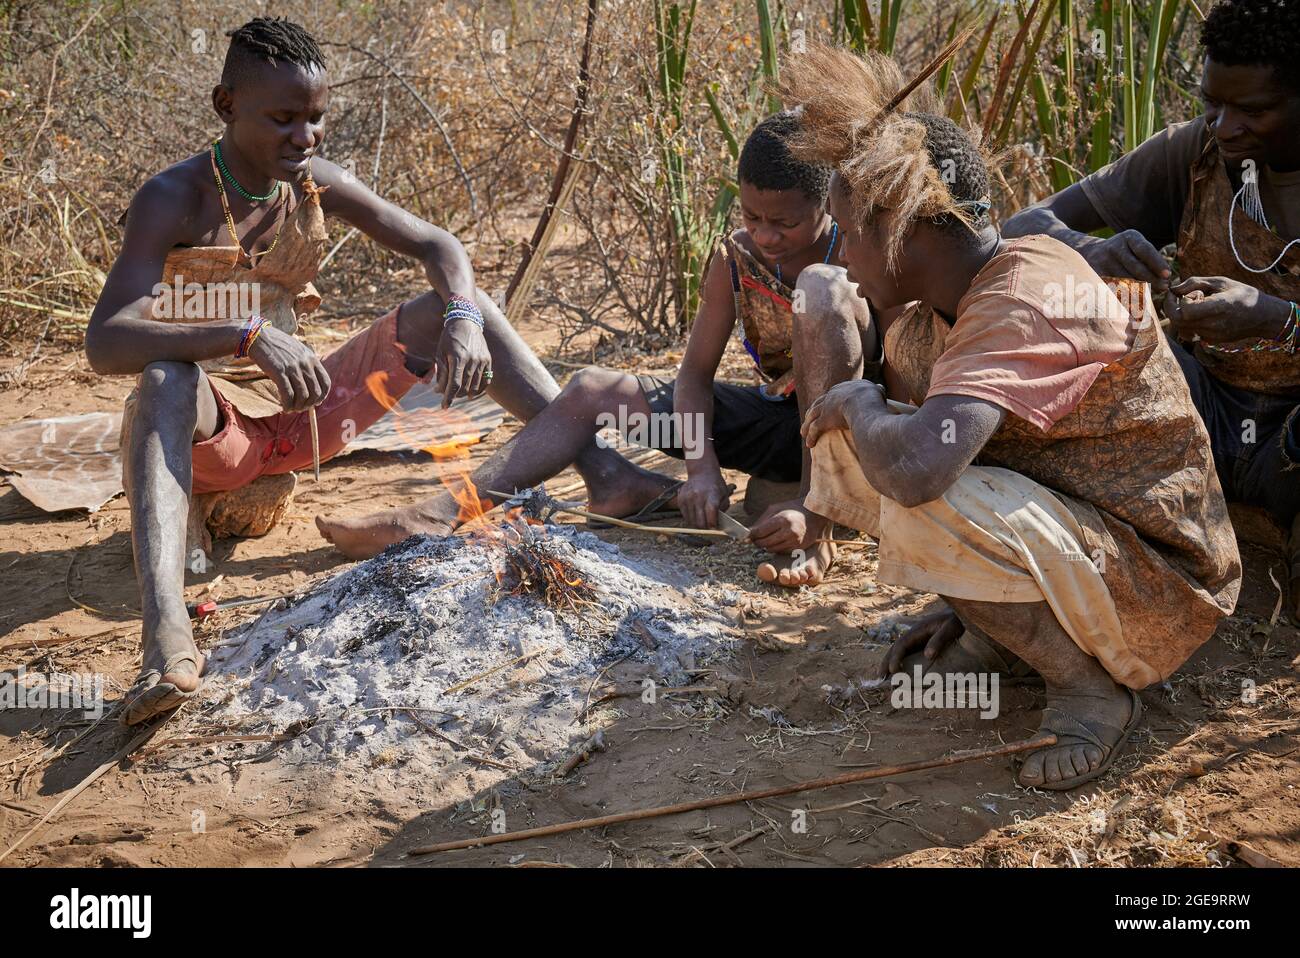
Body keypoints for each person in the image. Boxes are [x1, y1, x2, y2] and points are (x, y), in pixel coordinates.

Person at [86, 17, 636, 724]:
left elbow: (439, 244)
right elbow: (105, 342)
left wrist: (463, 319)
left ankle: (603, 473)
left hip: (308, 412)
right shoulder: (174, 197)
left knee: (457, 305)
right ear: (226, 106)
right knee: (165, 378)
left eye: (315, 119)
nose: (304, 138)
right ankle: (165, 637)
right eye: (283, 119)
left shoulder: (312, 184)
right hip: (212, 434)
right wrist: (246, 334)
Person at [780, 44, 1241, 789]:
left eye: (847, 226)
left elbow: (924, 469)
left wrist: (862, 398)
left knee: (907, 466)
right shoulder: (933, 318)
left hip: (1165, 592)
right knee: (882, 444)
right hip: (1092, 550)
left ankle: (1090, 690)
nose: (840, 249)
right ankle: (1007, 638)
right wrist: (973, 605)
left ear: (900, 228)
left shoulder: (1027, 293)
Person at [317, 112, 879, 587]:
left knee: (820, 294)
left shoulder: (855, 250)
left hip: (852, 434)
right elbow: (693, 379)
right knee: (592, 390)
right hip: (777, 423)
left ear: (825, 205)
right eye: (753, 217)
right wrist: (703, 469)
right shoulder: (734, 258)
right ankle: (441, 514)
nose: (765, 236)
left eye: (784, 222)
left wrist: (815, 505)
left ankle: (819, 517)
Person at [1004, 0, 1300, 616]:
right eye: (1213, 102)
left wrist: (1276, 318)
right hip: (1198, 413)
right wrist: (1095, 250)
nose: (1224, 126)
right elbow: (1022, 227)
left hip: (1291, 448)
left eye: (1254, 110)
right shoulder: (1194, 155)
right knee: (1082, 329)